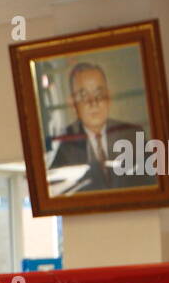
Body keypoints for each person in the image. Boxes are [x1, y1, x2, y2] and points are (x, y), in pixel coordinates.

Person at [46, 62, 151, 196]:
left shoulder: (133, 135)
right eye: (83, 95)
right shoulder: (63, 144)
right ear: (72, 104)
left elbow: (149, 185)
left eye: (99, 93)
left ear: (109, 97)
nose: (93, 102)